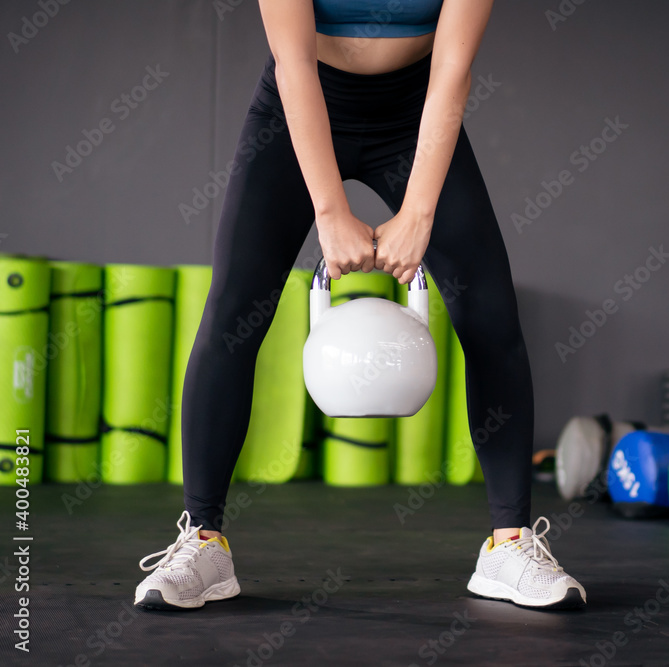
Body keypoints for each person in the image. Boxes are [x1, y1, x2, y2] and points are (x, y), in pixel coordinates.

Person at [132, 0, 586, 611]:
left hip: (415, 111)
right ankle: (203, 542)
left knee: (491, 316)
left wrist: (419, 213)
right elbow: (294, 66)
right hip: (301, 103)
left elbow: (453, 67)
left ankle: (508, 545)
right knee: (233, 313)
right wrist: (329, 211)